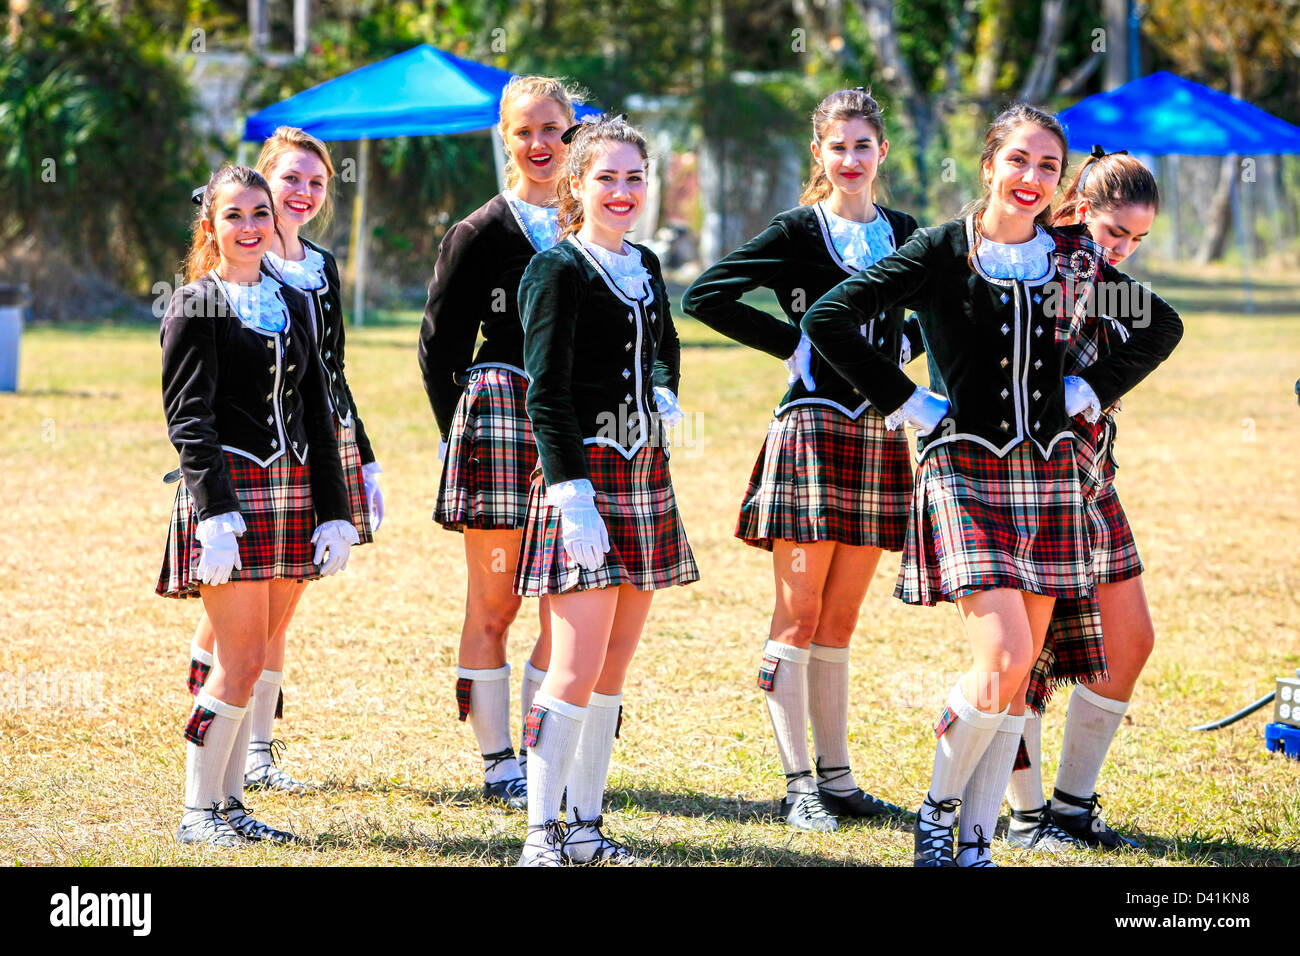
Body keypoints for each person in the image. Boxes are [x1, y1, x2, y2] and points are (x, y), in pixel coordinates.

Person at [802, 105, 1182, 866]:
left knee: (1016, 678)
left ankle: (976, 842)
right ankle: (937, 816)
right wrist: (904, 399)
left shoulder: (1074, 261)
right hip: (964, 470)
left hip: (1050, 478)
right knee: (1003, 657)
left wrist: (1093, 387)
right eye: (1019, 161)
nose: (1032, 179)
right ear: (989, 165)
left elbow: (1160, 325)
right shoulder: (942, 249)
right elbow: (830, 316)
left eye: (1048, 166)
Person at [682, 88, 915, 830]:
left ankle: (839, 779)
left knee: (841, 622)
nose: (851, 159)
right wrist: (791, 342)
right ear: (819, 153)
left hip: (880, 432)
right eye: (837, 146)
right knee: (799, 614)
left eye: (863, 146)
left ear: (882, 152)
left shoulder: (907, 232)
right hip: (811, 430)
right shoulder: (795, 230)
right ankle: (797, 785)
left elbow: (948, 308)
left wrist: (910, 348)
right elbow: (705, 294)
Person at [513, 114, 698, 865]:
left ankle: (587, 830)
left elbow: (667, 345)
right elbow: (544, 392)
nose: (622, 192)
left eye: (633, 178)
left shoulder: (646, 265)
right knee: (573, 663)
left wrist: (664, 391)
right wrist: (570, 493)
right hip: (582, 481)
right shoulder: (556, 269)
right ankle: (540, 835)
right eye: (606, 178)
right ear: (577, 184)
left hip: (644, 474)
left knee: (613, 666)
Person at [158, 164, 358, 846]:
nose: (249, 228)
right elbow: (189, 421)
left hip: (293, 496)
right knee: (239, 662)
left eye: (260, 215)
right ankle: (196, 813)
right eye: (234, 216)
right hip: (230, 502)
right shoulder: (194, 304)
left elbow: (317, 412)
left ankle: (232, 805)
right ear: (210, 226)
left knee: (260, 653)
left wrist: (336, 511)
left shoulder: (293, 301)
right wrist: (213, 513)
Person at [186, 126, 381, 795]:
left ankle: (247, 759)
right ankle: (218, 767)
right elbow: (197, 407)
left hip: (313, 452)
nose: (302, 192)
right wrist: (212, 504)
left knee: (276, 619)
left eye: (315, 182)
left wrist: (365, 462)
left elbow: (331, 374)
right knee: (237, 631)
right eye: (289, 180)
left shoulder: (314, 272)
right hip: (241, 466)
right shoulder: (231, 274)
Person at [1006, 145, 1178, 852]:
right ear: (1079, 209)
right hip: (1027, 483)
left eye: (1137, 240)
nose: (1124, 251)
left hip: (1092, 481)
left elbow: (1161, 327)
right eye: (1114, 234)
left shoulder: (1099, 275)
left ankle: (1071, 810)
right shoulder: (1048, 262)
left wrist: (1096, 387)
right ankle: (1021, 817)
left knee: (1130, 641)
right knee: (1020, 657)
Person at [418, 76, 580, 807]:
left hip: (579, 431)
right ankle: (498, 764)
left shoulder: (597, 218)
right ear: (504, 138)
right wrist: (469, 439)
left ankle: (549, 752)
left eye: (556, 129)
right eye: (526, 131)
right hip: (502, 424)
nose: (542, 145)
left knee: (568, 599)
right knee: (495, 605)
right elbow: (436, 347)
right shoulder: (479, 231)